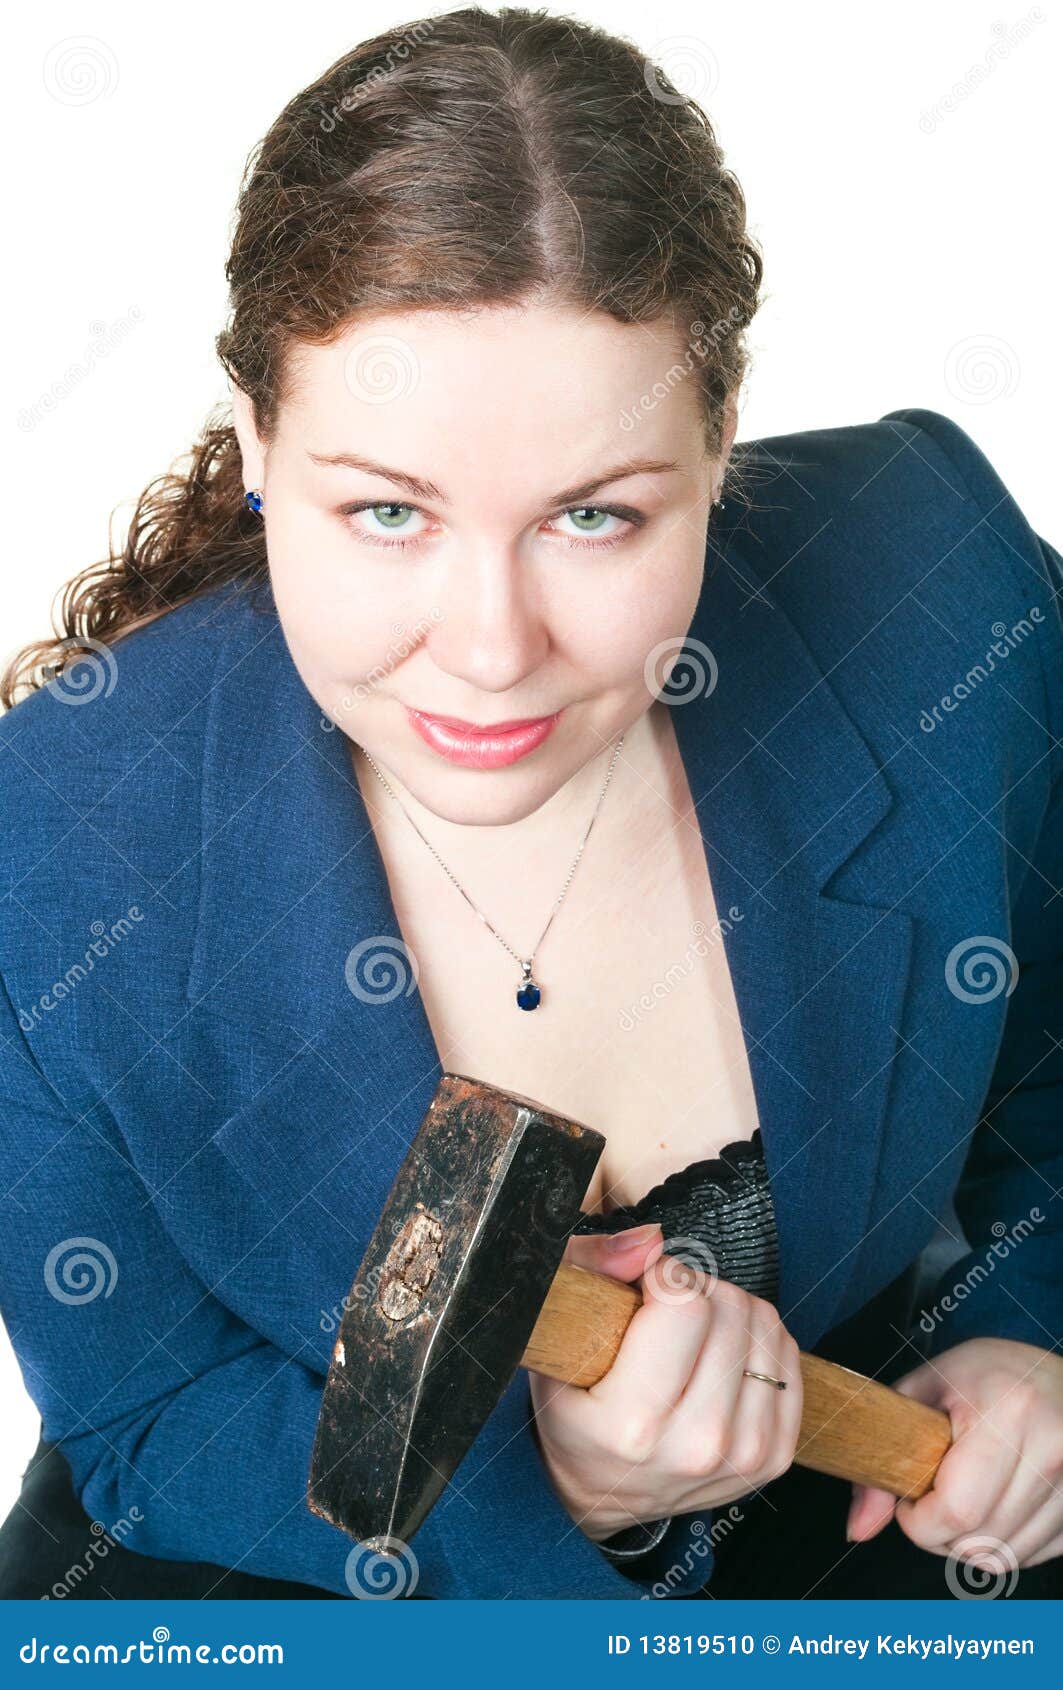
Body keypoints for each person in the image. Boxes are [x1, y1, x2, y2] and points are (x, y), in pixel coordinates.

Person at [0, 6, 1060, 1602]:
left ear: (719, 447)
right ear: (258, 452)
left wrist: (1025, 1332)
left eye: (593, 514)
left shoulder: (938, 585)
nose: (491, 652)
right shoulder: (55, 841)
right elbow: (150, 1417)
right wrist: (563, 1484)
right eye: (384, 510)